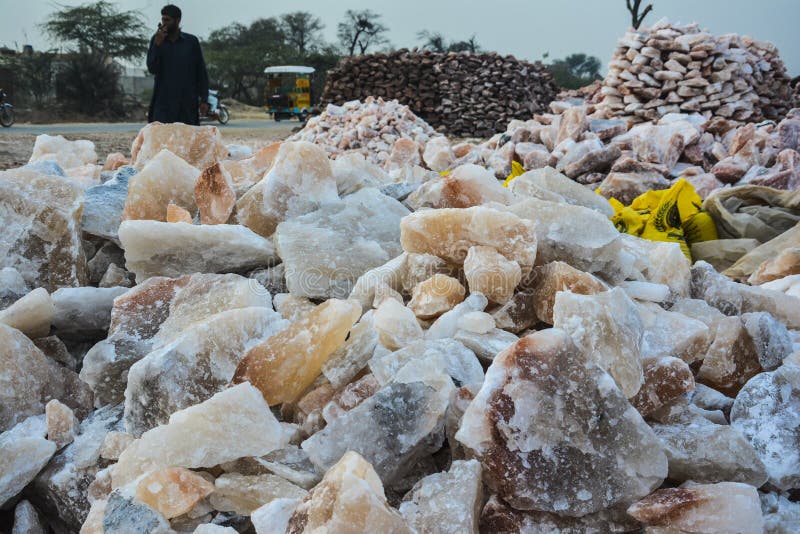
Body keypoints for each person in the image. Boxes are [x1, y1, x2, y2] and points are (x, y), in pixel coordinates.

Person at [146, 4, 209, 125]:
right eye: (162, 19)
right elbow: (152, 68)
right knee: (162, 138)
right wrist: (157, 46)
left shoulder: (191, 42)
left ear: (178, 20)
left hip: (187, 102)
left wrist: (204, 99)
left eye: (167, 20)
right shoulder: (157, 40)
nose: (163, 23)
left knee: (187, 139)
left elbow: (201, 71)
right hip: (163, 101)